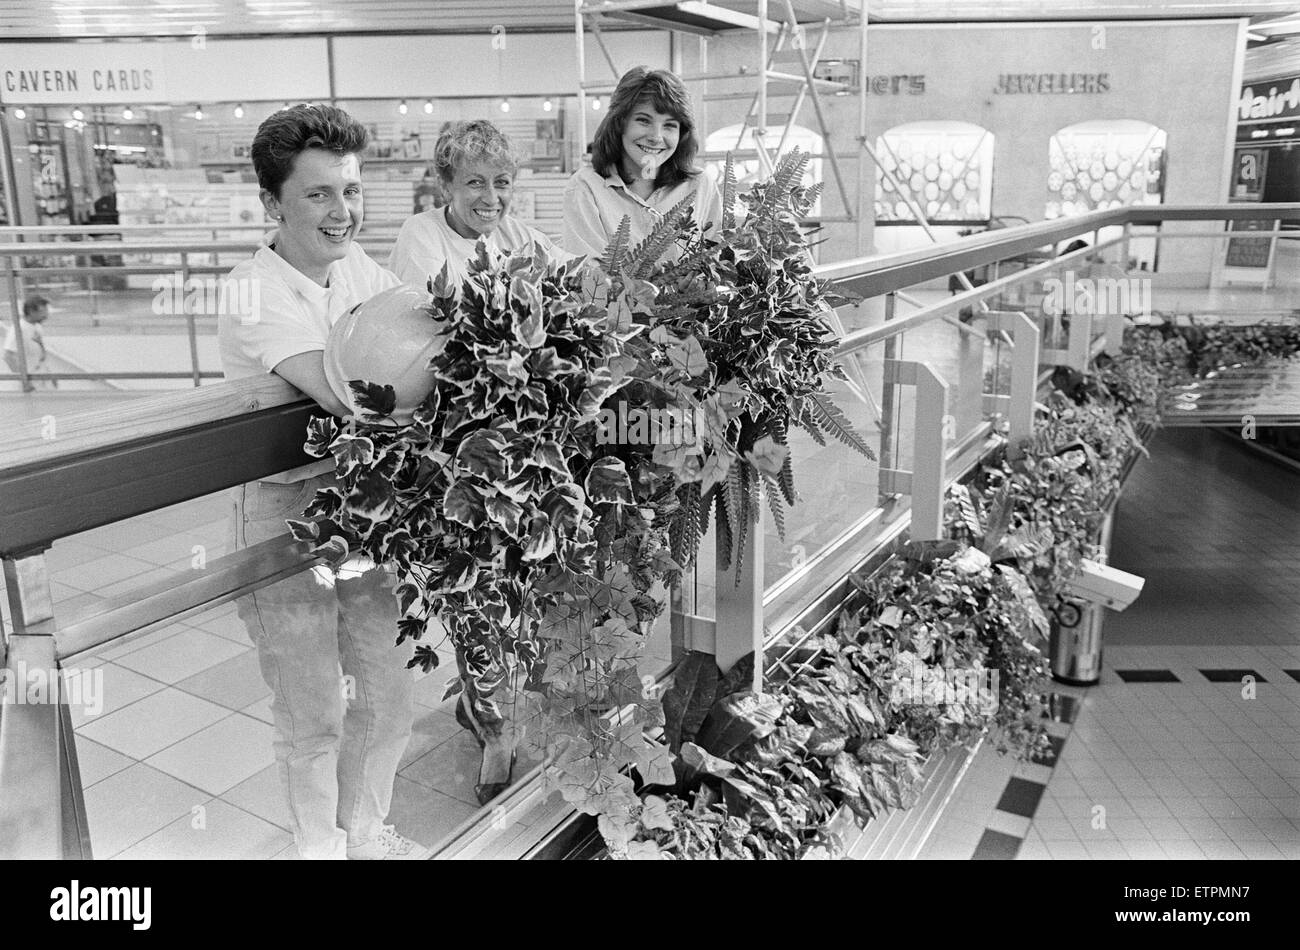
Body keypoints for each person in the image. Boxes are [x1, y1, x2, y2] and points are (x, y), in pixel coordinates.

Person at [216, 103, 421, 860]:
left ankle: (366, 836)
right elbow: (349, 393)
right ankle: (319, 849)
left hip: (365, 507)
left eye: (352, 191)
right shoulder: (251, 290)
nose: (344, 213)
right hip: (281, 514)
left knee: (391, 689)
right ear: (272, 204)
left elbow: (424, 337)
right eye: (319, 195)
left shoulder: (358, 270)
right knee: (311, 713)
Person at [563, 66, 722, 264]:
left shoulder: (699, 185)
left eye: (670, 125)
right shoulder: (586, 186)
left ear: (682, 133)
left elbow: (716, 263)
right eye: (644, 121)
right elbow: (588, 279)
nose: (656, 137)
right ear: (619, 123)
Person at [389, 120, 560, 288]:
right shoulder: (422, 233)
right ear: (445, 187)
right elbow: (430, 309)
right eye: (475, 183)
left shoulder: (517, 235)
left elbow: (576, 274)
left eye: (502, 182)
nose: (491, 199)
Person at [4, 296, 55, 392]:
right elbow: (8, 356)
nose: (46, 315)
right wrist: (24, 380)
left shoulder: (37, 326)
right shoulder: (19, 329)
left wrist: (50, 376)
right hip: (29, 384)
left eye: (46, 311)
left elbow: (40, 355)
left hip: (41, 380)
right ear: (31, 311)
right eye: (42, 312)